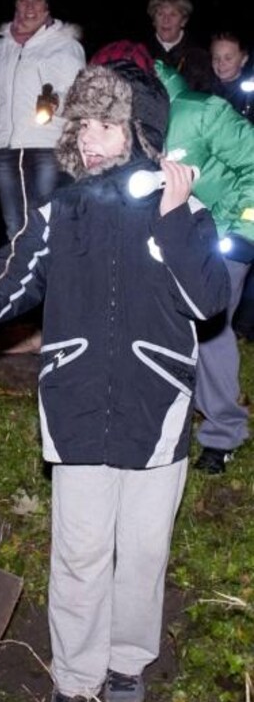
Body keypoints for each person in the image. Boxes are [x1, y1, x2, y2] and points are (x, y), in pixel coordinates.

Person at [0, 61, 230, 702]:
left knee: (144, 548)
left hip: (155, 409)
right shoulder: (60, 211)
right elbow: (7, 274)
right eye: (84, 125)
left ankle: (128, 659)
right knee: (80, 550)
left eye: (107, 123)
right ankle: (75, 678)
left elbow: (212, 302)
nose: (92, 139)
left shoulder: (182, 210)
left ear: (139, 130)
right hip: (75, 406)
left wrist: (176, 218)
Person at [92, 41, 254, 474]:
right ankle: (156, 416)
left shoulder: (201, 111)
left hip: (224, 235)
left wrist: (234, 232)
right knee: (152, 322)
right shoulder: (117, 121)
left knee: (209, 327)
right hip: (161, 236)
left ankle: (223, 432)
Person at [0, 0, 85, 241]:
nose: (29, 6)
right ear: (16, 4)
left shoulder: (64, 44)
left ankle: (52, 281)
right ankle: (23, 281)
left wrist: (55, 101)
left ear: (47, 5)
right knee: (14, 226)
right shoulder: (2, 46)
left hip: (45, 145)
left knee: (45, 222)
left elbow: (79, 92)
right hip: (4, 146)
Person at [144, 0, 211, 93]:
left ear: (183, 21)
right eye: (160, 14)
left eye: (173, 14)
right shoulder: (140, 53)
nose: (166, 20)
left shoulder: (200, 57)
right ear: (153, 20)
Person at [209, 31, 254, 121]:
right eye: (216, 58)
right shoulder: (202, 86)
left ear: (243, 59)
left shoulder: (250, 95)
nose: (221, 63)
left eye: (228, 58)